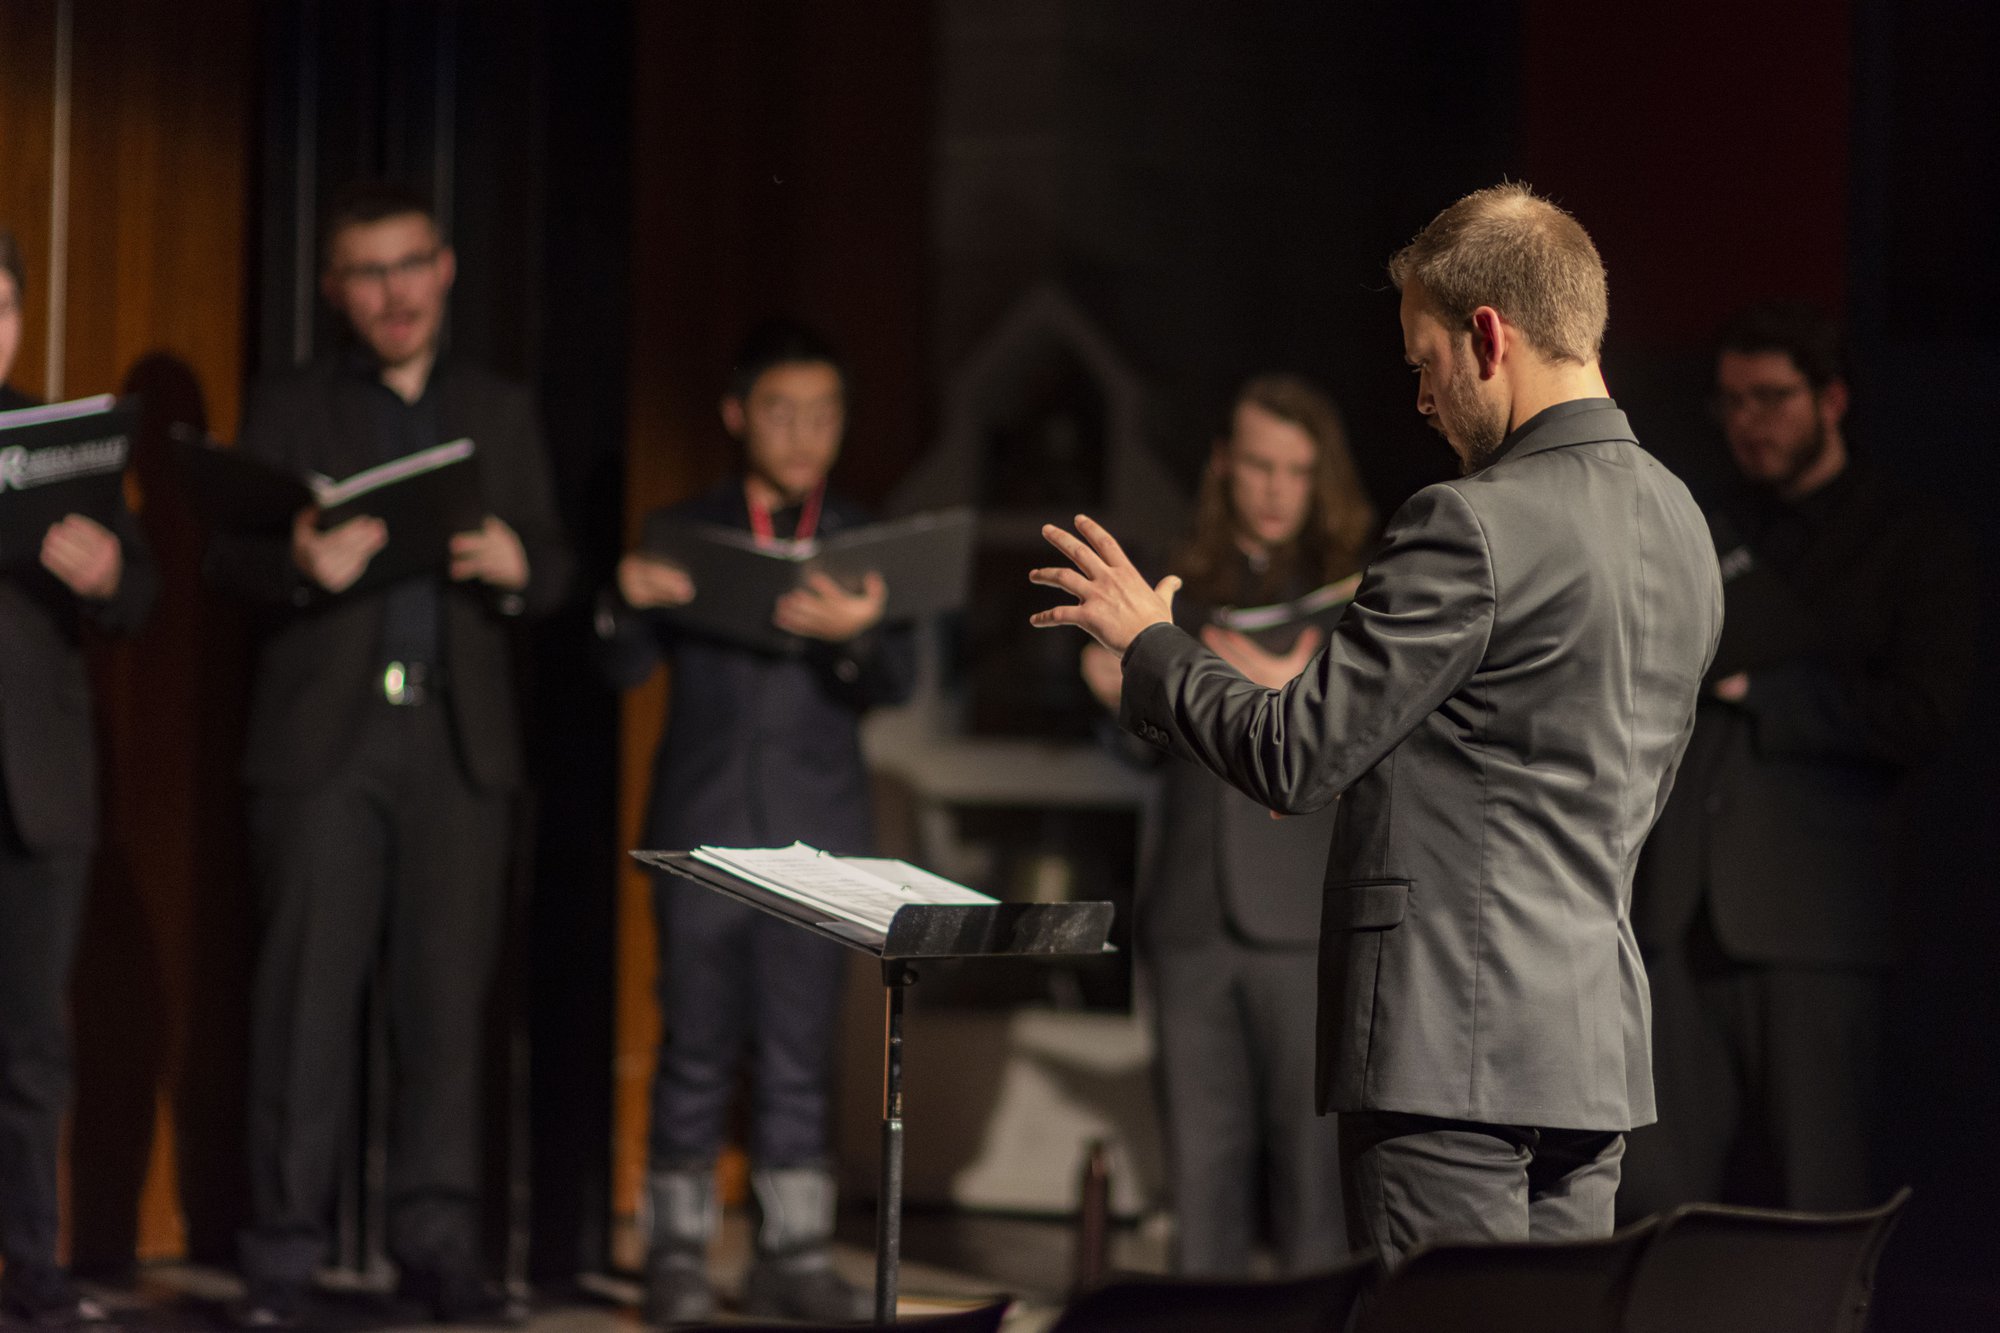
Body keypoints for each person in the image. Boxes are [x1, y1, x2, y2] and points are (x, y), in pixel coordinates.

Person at [1029, 183, 1722, 1264]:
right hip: (1585, 1054)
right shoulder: (1681, 520)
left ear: (1486, 335)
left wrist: (1148, 644)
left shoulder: (1471, 523)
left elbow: (1292, 754)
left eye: (1421, 362)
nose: (1418, 399)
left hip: (1448, 1048)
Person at [209, 184, 572, 1325]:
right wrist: (296, 567)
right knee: (303, 1004)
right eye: (366, 274)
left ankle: (437, 1246)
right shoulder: (292, 403)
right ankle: (279, 1254)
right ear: (334, 293)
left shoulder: (498, 407)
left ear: (447, 268)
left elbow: (555, 565)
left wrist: (522, 567)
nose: (393, 291)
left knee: (447, 1008)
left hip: (459, 745)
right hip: (328, 741)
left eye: (408, 265)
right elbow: (229, 557)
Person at [1619, 303, 1977, 1217]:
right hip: (1676, 912)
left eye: (1773, 397)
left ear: (1833, 399)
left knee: (1817, 1206)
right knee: (1654, 1201)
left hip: (1815, 926)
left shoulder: (1911, 535)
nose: (1750, 420)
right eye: (1732, 401)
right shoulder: (1701, 523)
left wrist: (1758, 691)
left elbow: (1924, 713)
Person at [598, 319, 914, 1324]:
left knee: (797, 1048)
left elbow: (899, 682)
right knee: (693, 1043)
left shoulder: (863, 538)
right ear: (738, 415)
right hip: (702, 831)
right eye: (780, 412)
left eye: (821, 416)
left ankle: (792, 1251)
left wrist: (857, 641)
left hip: (819, 837)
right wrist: (623, 600)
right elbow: (620, 668)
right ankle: (677, 1251)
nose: (801, 434)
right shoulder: (685, 525)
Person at [1079, 374, 1373, 1275]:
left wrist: (1211, 673)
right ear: (1224, 466)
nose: (1278, 486)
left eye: (1296, 468)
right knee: (1200, 1180)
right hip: (1191, 915)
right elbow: (1132, 742)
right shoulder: (1177, 584)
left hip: (1304, 918)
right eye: (1259, 465)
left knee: (1314, 1184)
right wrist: (1121, 694)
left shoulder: (1357, 591)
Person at [0, 228, 156, 1325]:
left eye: (0, 309)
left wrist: (107, 573)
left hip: (35, 782)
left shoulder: (58, 444)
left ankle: (32, 1265)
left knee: (30, 1043)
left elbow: (140, 592)